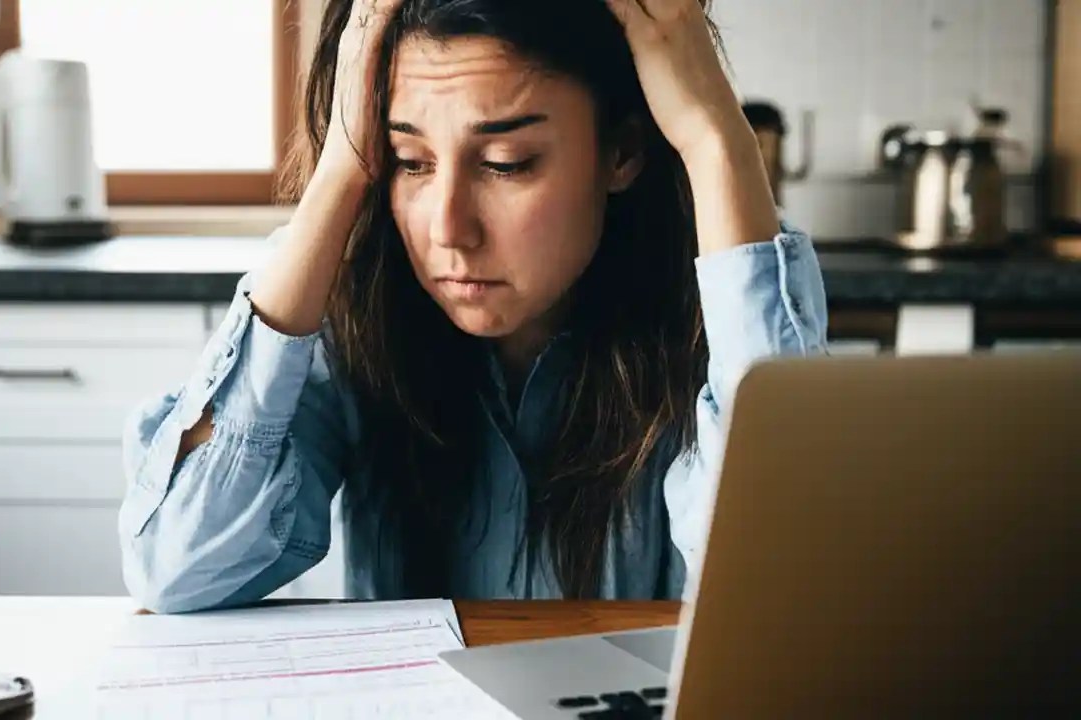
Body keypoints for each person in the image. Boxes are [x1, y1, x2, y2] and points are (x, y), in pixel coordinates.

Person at [119, 0, 828, 613]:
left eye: (505, 163)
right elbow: (178, 571)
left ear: (623, 152)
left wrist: (714, 139)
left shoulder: (725, 306)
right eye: (408, 162)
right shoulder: (351, 314)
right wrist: (340, 171)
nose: (447, 228)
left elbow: (790, 582)